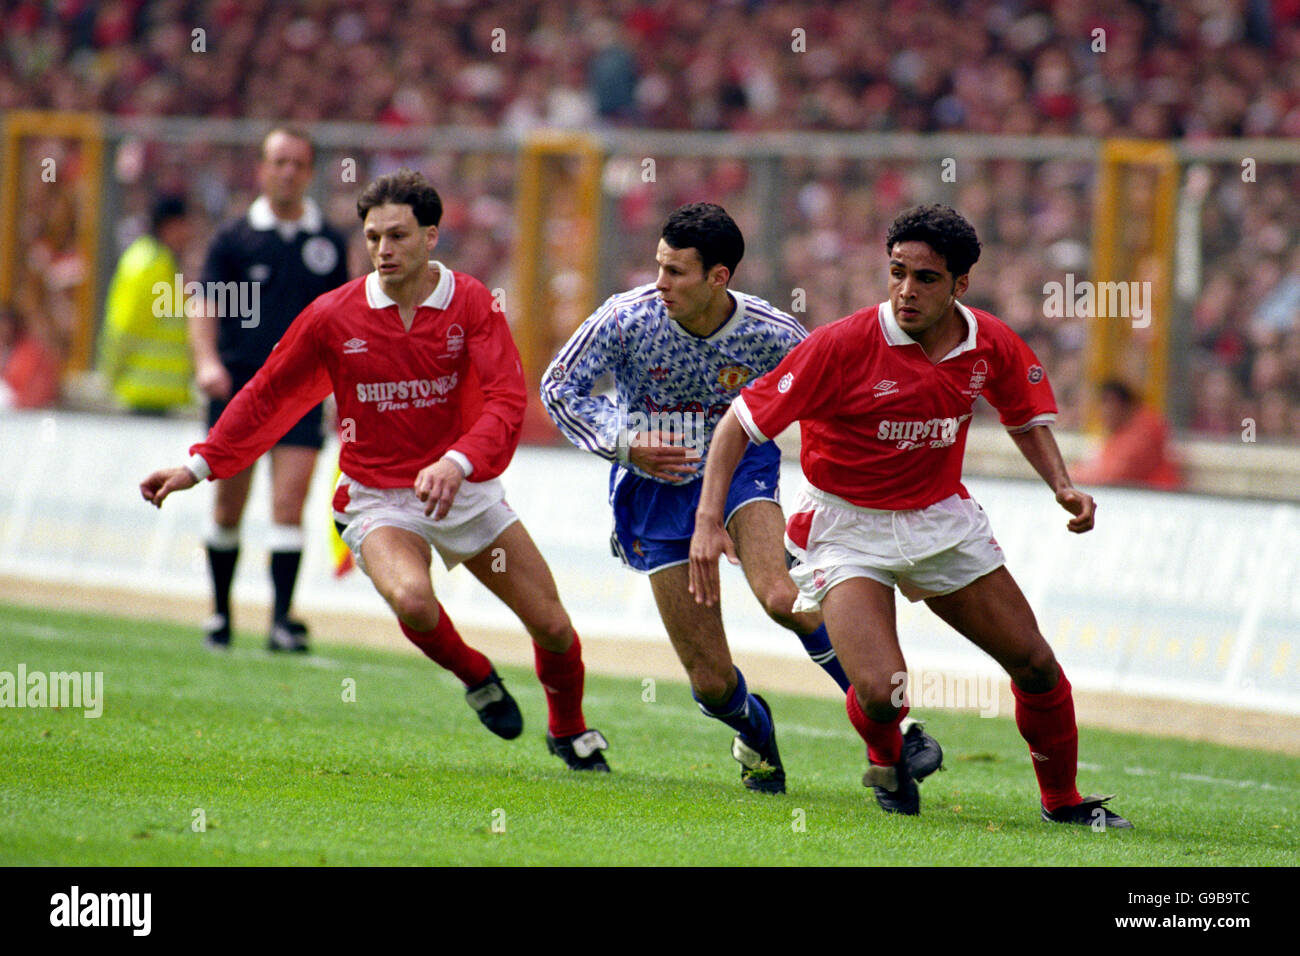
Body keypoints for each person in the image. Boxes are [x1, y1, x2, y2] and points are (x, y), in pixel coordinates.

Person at [142, 169, 611, 772]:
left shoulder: (471, 302)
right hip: (377, 498)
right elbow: (266, 395)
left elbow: (505, 401)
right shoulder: (334, 316)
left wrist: (457, 460)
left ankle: (569, 730)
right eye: (372, 237)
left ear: (431, 236)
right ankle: (476, 675)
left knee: (551, 625)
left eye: (398, 235)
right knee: (414, 600)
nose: (383, 250)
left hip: (463, 488)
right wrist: (199, 465)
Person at [689, 204, 1133, 827]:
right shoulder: (842, 346)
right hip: (846, 528)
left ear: (959, 286)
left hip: (939, 520)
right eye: (897, 272)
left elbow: (1023, 415)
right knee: (879, 689)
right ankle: (887, 758)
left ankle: (1063, 802)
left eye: (925, 278)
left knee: (1034, 662)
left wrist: (1063, 485)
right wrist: (710, 519)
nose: (906, 290)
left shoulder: (990, 342)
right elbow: (739, 424)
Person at [541, 202, 939, 794]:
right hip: (653, 487)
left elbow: (834, 398)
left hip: (742, 468)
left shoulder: (771, 334)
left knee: (784, 597)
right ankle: (754, 732)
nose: (660, 283)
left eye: (676, 272)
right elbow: (558, 386)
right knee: (709, 681)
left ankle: (898, 735)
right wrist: (626, 443)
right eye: (659, 266)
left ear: (718, 277)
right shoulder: (626, 320)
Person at [190, 127, 349, 652]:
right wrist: (208, 361)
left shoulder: (327, 242)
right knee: (227, 509)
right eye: (278, 161)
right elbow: (204, 303)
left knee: (289, 506)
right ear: (261, 168)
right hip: (236, 390)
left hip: (299, 396)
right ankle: (219, 614)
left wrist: (338, 392)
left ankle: (281, 621)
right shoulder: (234, 238)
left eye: (297, 163)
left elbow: (341, 323)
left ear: (309, 173)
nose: (287, 172)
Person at [98, 194, 194, 414]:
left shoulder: (161, 261)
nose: (188, 234)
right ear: (170, 225)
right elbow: (123, 326)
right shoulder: (148, 265)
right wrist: (110, 376)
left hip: (157, 394)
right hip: (141, 395)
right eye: (185, 225)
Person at [1072, 379, 1182, 490]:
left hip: (1158, 496)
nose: (1103, 412)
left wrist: (1068, 477)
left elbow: (1112, 475)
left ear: (1123, 405)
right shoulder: (1121, 432)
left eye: (1107, 403)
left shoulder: (1143, 431)